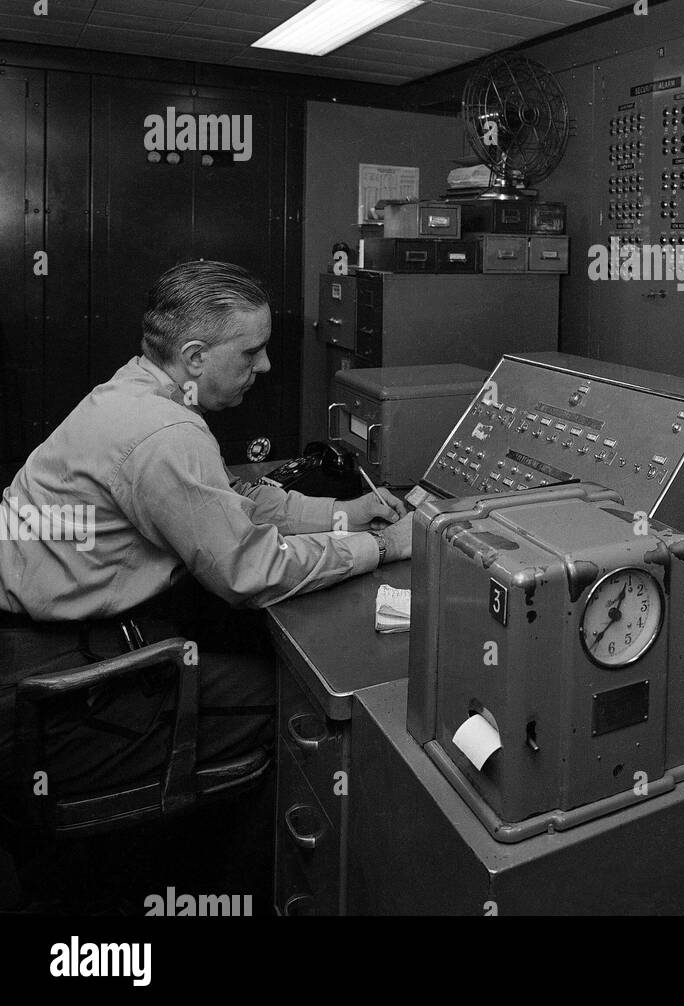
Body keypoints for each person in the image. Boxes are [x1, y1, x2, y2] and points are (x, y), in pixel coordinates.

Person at [0, 259, 415, 835]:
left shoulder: (139, 390)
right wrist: (383, 547)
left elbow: (232, 500)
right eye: (251, 353)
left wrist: (345, 513)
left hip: (42, 643)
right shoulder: (166, 435)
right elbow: (252, 573)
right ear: (196, 357)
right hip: (62, 687)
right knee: (306, 705)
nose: (265, 366)